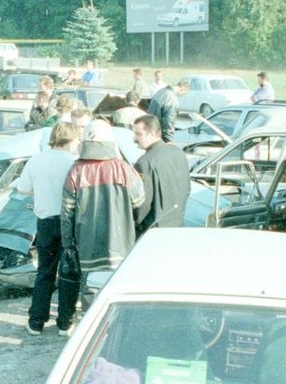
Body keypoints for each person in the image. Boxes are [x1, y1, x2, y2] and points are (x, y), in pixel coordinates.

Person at [14, 122, 82, 336]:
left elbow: (23, 188)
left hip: (44, 222)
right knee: (69, 272)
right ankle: (65, 322)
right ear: (71, 139)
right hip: (68, 222)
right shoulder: (74, 163)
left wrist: (42, 193)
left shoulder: (36, 160)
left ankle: (36, 321)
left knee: (44, 271)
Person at [61, 120, 145, 290]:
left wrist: (68, 244)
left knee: (90, 290)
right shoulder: (124, 169)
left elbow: (67, 213)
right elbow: (139, 201)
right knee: (117, 290)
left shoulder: (76, 170)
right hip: (120, 244)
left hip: (87, 246)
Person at [132, 115, 190, 238]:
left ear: (152, 134)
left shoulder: (144, 163)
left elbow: (142, 204)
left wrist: (135, 226)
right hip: (177, 225)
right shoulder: (178, 153)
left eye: (138, 134)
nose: (134, 139)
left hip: (153, 232)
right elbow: (186, 189)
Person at [147, 78, 188, 143]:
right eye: (183, 93)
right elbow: (169, 121)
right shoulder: (171, 99)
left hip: (149, 131)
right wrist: (169, 140)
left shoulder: (161, 92)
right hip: (158, 136)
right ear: (182, 88)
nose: (181, 96)